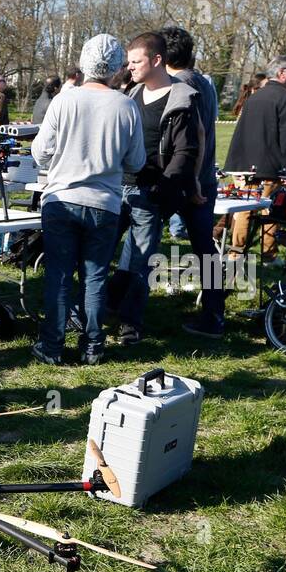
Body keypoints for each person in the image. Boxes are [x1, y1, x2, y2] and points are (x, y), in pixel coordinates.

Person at [29, 34, 145, 367]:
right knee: (94, 278)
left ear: (83, 62)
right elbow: (136, 162)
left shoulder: (64, 100)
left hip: (61, 199)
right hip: (104, 202)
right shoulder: (126, 106)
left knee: (60, 276)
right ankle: (93, 346)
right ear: (116, 68)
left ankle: (51, 345)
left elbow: (40, 153)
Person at [104, 32, 199, 346]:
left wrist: (164, 188)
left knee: (142, 262)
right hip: (117, 189)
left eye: (136, 61)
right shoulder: (130, 95)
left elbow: (186, 152)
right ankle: (99, 308)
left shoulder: (182, 99)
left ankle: (130, 323)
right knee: (104, 253)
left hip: (150, 193)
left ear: (156, 60)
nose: (129, 67)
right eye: (129, 62)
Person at [160, 25, 225, 339]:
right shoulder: (205, 82)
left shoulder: (179, 85)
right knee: (205, 249)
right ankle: (214, 312)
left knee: (139, 238)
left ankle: (120, 304)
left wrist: (194, 181)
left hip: (186, 178)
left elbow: (196, 135)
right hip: (204, 177)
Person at [222, 55, 286, 259]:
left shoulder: (255, 96)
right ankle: (268, 254)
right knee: (271, 210)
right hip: (271, 166)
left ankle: (235, 252)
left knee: (244, 210)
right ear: (282, 72)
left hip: (246, 164)